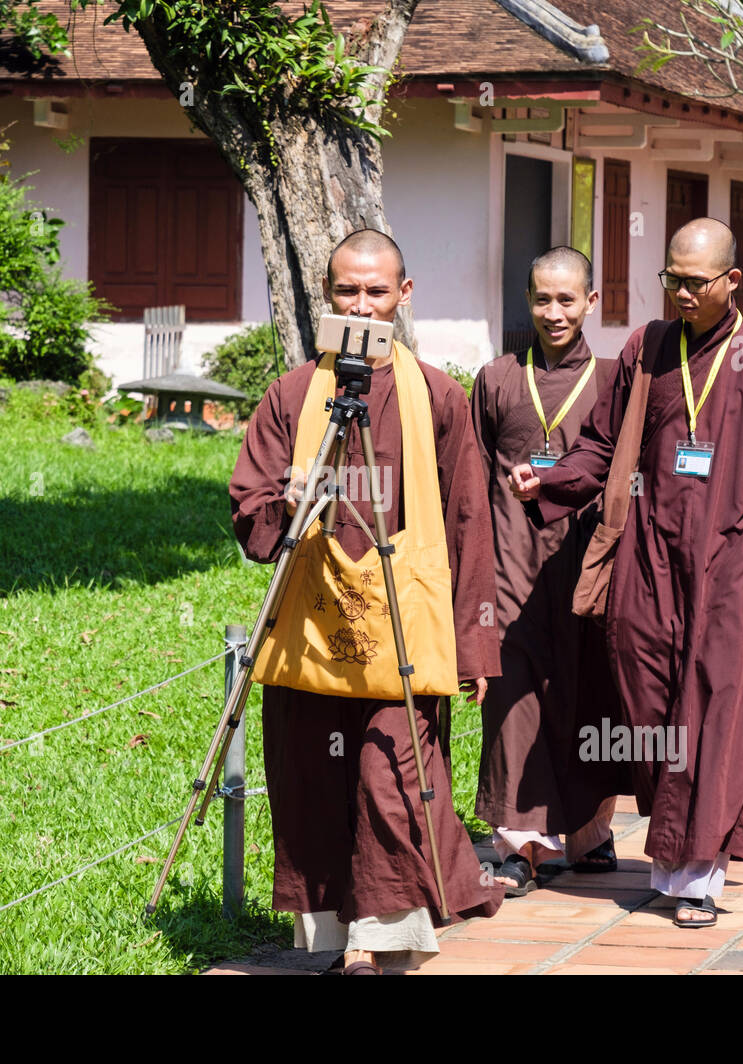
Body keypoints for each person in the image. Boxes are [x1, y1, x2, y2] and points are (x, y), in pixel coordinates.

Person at [509, 218, 743, 927]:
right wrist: (551, 482)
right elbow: (600, 444)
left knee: (717, 708)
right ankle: (673, 857)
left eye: (695, 282)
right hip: (647, 559)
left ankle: (697, 877)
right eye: (672, 280)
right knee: (653, 706)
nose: (682, 294)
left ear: (731, 282)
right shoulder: (648, 348)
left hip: (732, 562)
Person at [229, 229, 503, 973]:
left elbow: (469, 522)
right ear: (327, 295)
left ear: (404, 296)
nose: (361, 305)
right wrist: (286, 508)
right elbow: (249, 507)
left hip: (406, 634)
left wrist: (476, 641)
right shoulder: (292, 394)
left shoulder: (438, 395)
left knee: (393, 782)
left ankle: (390, 946)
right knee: (315, 784)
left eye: (376, 291)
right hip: (314, 633)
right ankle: (332, 940)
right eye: (347, 291)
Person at [471, 247, 631, 895]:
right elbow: (472, 482)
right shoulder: (497, 378)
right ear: (527, 300)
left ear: (592, 300)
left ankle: (592, 831)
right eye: (542, 298)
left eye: (568, 299)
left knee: (593, 694)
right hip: (511, 565)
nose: (554, 312)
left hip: (590, 567)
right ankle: (517, 842)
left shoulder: (618, 378)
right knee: (512, 700)